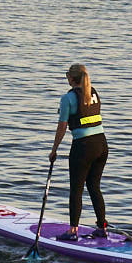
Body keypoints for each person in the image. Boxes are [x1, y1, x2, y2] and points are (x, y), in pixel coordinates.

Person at [48, 63, 109, 240]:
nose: (66, 78)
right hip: (102, 145)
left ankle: (73, 231)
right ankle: (102, 227)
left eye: (67, 75)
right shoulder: (93, 93)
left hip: (83, 147)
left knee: (76, 189)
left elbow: (62, 127)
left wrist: (54, 150)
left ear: (72, 78)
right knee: (94, 187)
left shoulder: (67, 98)